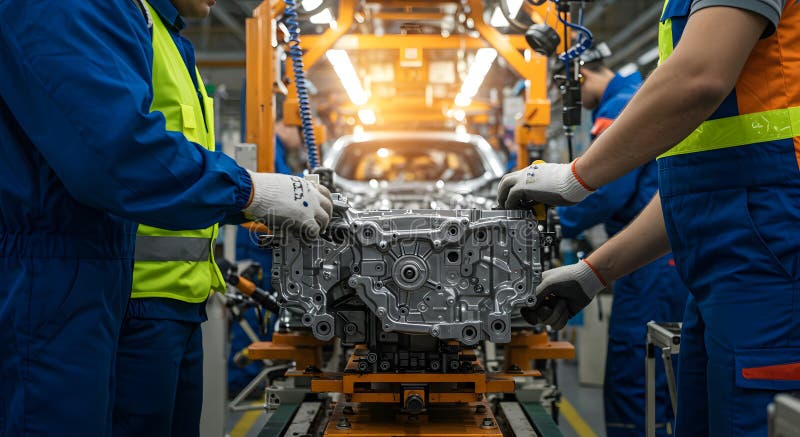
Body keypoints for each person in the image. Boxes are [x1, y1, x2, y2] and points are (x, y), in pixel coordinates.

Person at [0, 0, 332, 435]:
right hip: (80, 284)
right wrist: (249, 191)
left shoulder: (161, 30)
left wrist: (245, 200)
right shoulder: (71, 9)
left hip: (120, 284)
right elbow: (119, 157)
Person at [498, 1, 799, 435]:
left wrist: (574, 177)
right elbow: (697, 191)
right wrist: (593, 272)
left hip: (773, 261)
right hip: (724, 269)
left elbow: (699, 78)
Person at [555, 45, 688, 437]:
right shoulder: (630, 95)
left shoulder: (620, 105)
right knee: (658, 369)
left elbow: (607, 189)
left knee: (635, 366)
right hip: (655, 252)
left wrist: (555, 219)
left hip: (650, 259)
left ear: (583, 76)